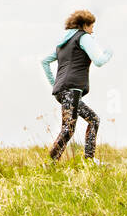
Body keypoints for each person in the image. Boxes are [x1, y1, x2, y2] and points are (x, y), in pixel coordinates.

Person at [40, 9, 113, 163]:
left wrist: (55, 84)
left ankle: (86, 160)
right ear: (84, 25)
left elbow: (45, 62)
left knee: (86, 122)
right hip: (71, 90)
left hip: (62, 91)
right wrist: (108, 53)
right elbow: (99, 61)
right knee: (72, 127)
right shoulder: (84, 37)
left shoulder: (63, 43)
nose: (93, 30)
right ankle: (52, 163)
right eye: (92, 26)